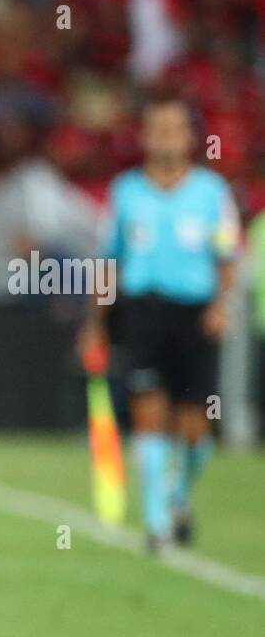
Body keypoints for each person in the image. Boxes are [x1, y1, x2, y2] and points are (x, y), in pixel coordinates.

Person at [80, 94, 240, 550]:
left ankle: (177, 496)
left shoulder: (212, 193)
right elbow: (109, 263)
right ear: (145, 136)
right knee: (149, 416)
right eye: (158, 128)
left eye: (175, 127)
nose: (166, 136)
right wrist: (95, 322)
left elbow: (226, 256)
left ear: (190, 137)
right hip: (144, 314)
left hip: (196, 318)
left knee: (197, 434)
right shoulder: (125, 193)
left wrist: (221, 304)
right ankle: (155, 522)